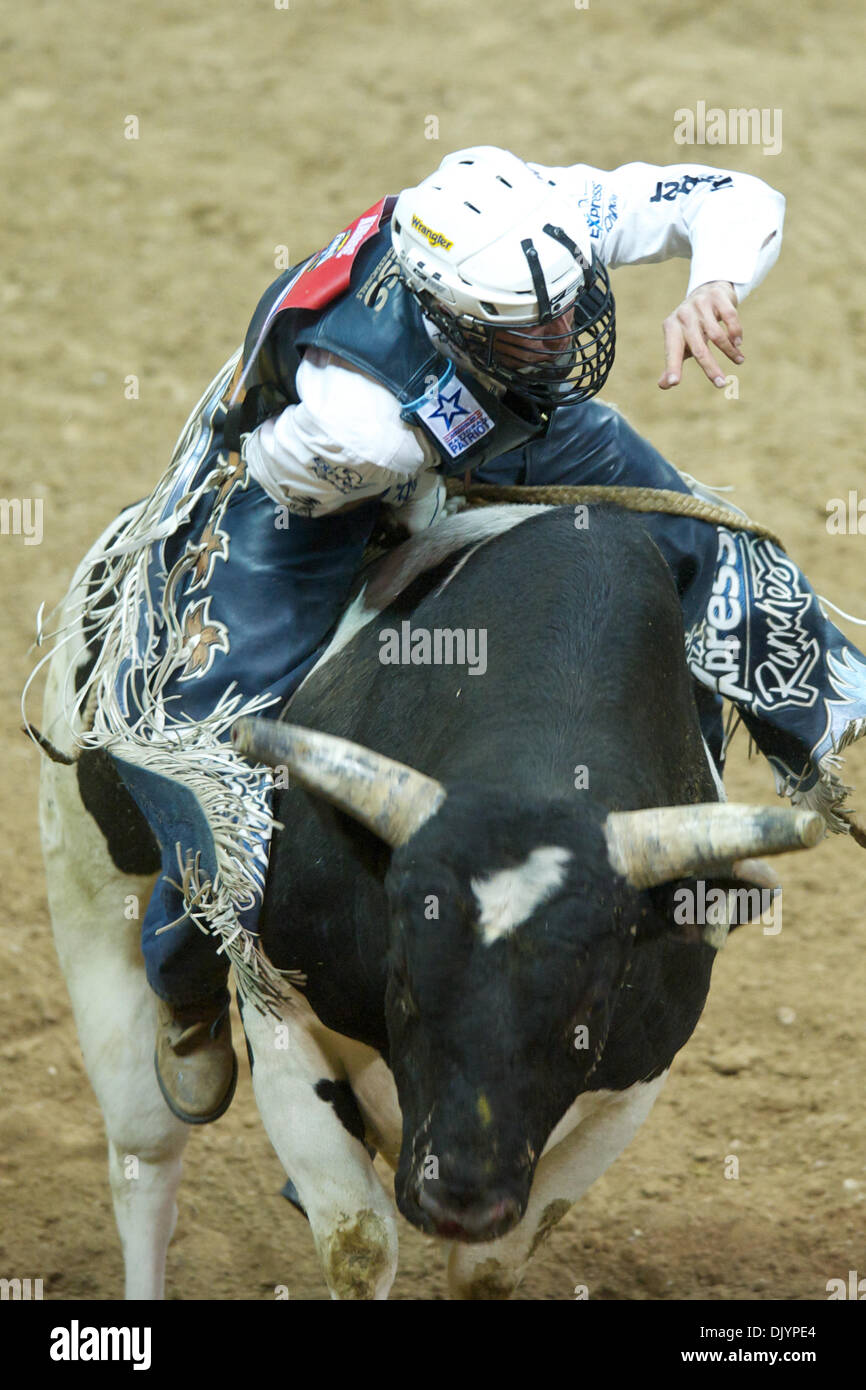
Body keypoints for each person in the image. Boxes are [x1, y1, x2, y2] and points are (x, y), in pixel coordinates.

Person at [54, 146, 866, 1124]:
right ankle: (185, 976)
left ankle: (829, 721)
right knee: (208, 744)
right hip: (304, 483)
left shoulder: (545, 221)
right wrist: (418, 486)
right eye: (533, 325)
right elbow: (309, 477)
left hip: (489, 404)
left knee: (693, 526)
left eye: (570, 303)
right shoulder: (351, 420)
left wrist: (711, 282)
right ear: (452, 317)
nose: (565, 330)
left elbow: (739, 197)